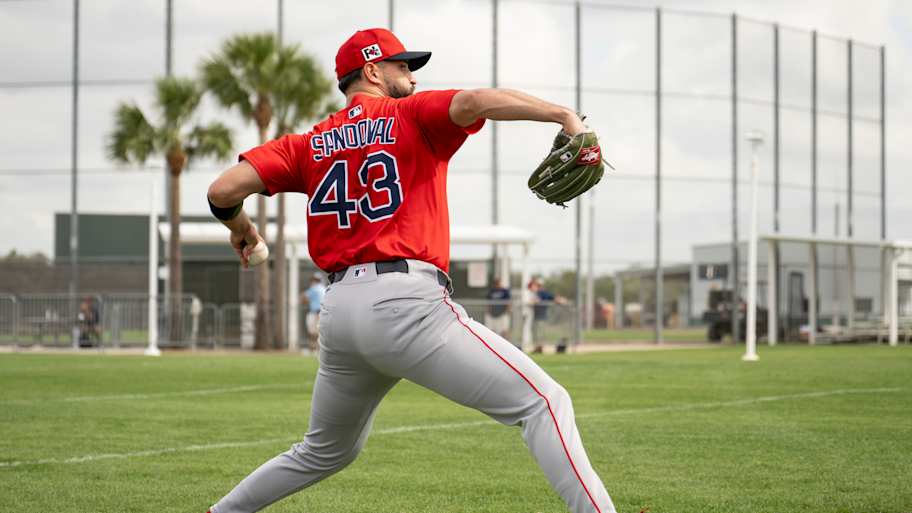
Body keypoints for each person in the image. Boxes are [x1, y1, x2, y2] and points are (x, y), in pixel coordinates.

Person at [205, 28, 616, 513]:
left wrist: (245, 230)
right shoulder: (409, 115)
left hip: (339, 315)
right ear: (373, 71)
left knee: (325, 451)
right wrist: (562, 115)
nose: (412, 75)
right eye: (403, 66)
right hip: (406, 305)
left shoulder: (307, 144)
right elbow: (477, 100)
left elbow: (222, 191)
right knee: (544, 403)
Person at [302, 274, 326, 353]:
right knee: (319, 332)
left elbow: (303, 298)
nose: (313, 282)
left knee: (313, 332)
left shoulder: (314, 288)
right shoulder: (324, 288)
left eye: (315, 280)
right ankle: (317, 349)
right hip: (323, 312)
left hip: (316, 312)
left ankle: (313, 349)